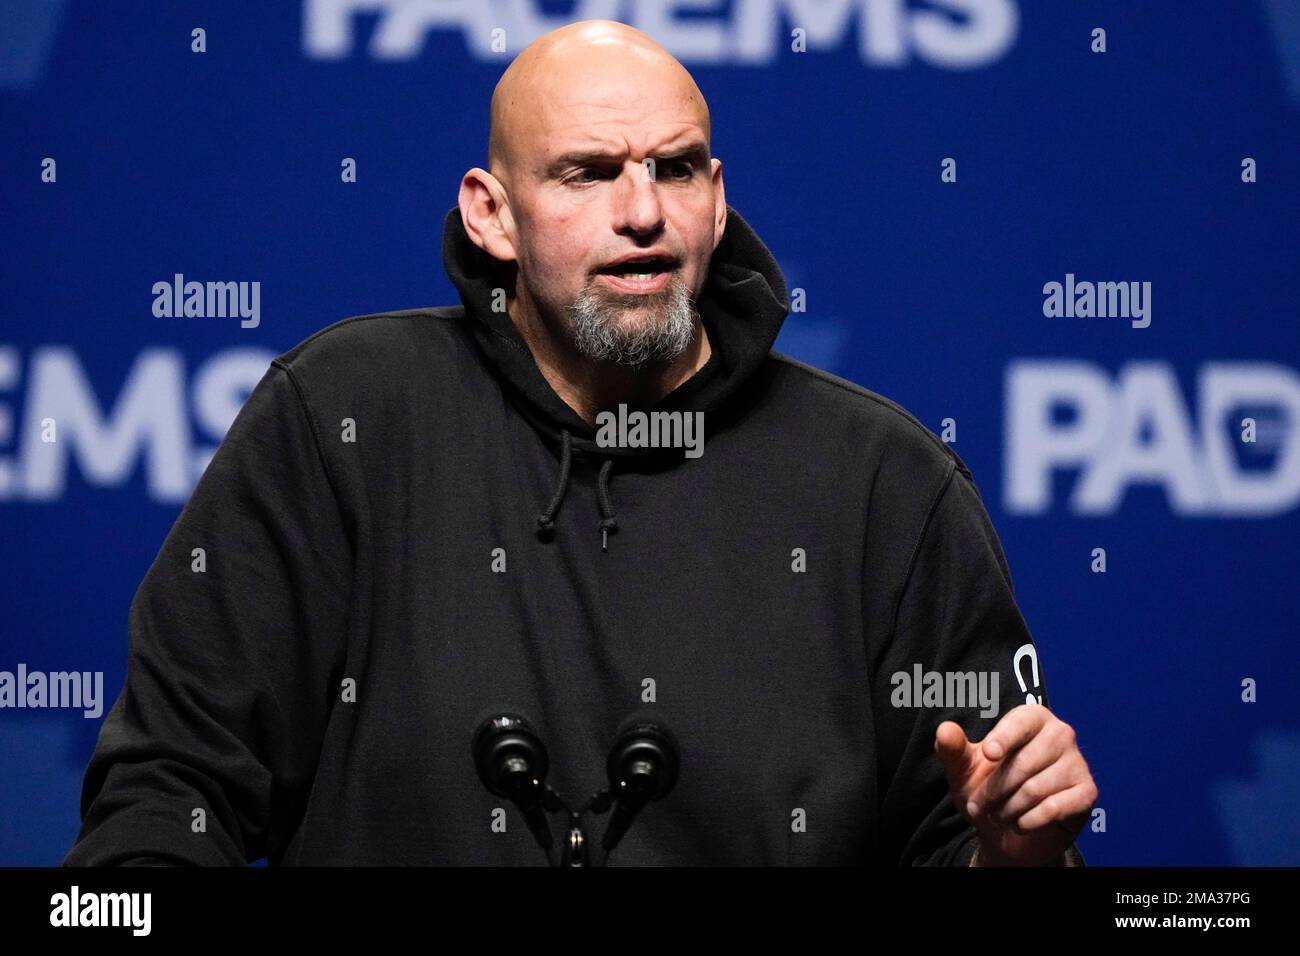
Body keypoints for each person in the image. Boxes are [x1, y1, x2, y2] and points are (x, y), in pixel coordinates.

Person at [65, 19, 1095, 867]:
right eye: (588, 173)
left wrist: (1015, 861)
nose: (642, 213)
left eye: (676, 169)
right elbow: (168, 795)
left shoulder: (886, 486)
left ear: (718, 197)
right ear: (491, 216)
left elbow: (971, 840)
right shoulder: (341, 420)